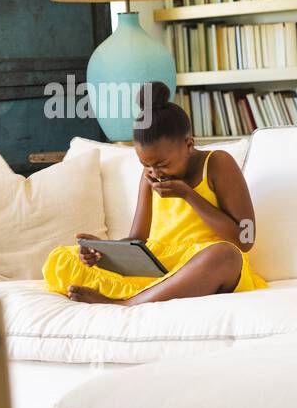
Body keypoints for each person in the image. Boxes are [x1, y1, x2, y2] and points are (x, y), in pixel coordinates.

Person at [42, 81, 267, 304]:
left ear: (189, 145)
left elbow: (245, 239)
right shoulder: (149, 176)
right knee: (60, 258)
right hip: (159, 266)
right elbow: (137, 240)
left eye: (162, 164)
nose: (154, 172)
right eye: (146, 165)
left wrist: (189, 195)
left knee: (226, 255)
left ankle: (126, 304)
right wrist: (103, 252)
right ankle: (147, 294)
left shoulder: (217, 163)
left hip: (201, 263)